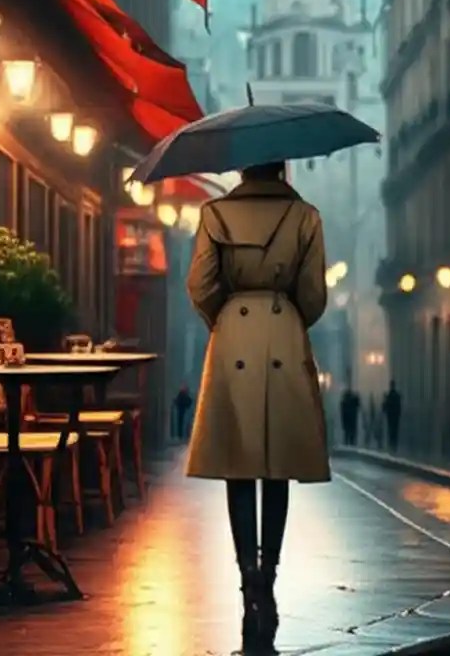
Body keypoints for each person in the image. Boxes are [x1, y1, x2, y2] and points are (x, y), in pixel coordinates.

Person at [185, 160, 329, 654]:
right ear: (282, 167)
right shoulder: (306, 216)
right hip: (283, 334)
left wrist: (226, 321)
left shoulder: (213, 213)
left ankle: (247, 581)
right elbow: (314, 294)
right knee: (278, 468)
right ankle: (269, 576)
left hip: (234, 338)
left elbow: (200, 286)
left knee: (238, 467)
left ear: (243, 168)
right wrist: (285, 318)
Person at [383, 380, 402, 452]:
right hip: (395, 416)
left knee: (391, 430)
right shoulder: (397, 395)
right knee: (395, 431)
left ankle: (392, 444)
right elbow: (399, 407)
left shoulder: (389, 396)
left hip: (390, 416)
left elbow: (385, 407)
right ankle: (394, 445)